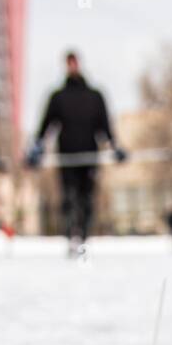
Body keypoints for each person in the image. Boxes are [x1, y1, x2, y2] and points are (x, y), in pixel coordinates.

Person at [27, 52, 125, 253]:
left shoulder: (95, 96)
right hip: (67, 157)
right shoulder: (58, 97)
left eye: (74, 63)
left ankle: (84, 238)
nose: (72, 66)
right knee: (69, 198)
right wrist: (38, 147)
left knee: (87, 198)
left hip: (89, 155)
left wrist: (114, 146)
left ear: (79, 64)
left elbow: (105, 126)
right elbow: (46, 125)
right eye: (68, 63)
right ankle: (72, 235)